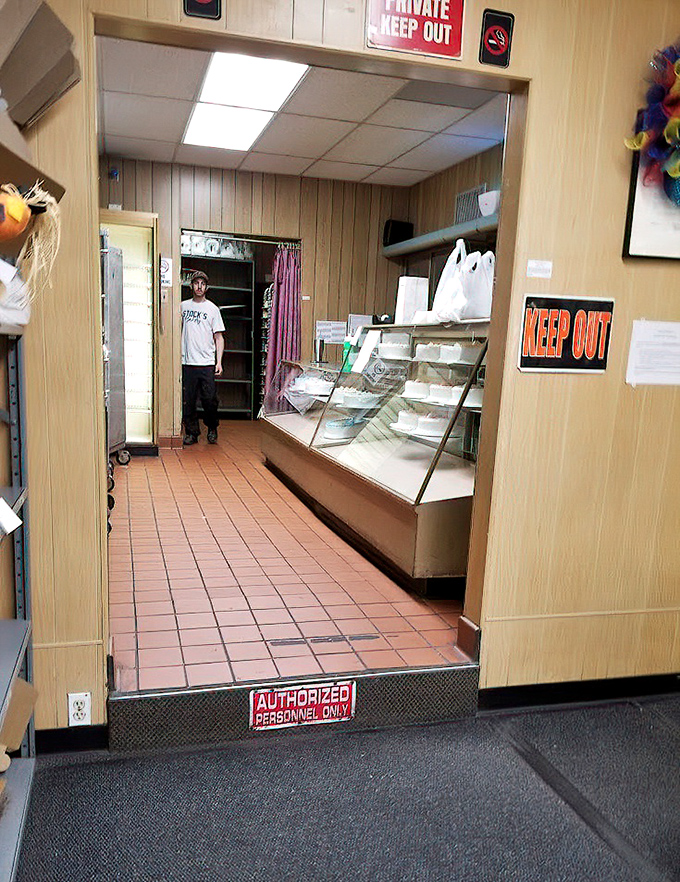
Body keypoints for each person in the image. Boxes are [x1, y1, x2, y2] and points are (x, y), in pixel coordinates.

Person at [181, 270, 225, 445]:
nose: (199, 286)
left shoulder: (213, 309)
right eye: (196, 283)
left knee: (210, 400)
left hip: (206, 363)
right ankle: (192, 433)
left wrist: (218, 362)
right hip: (187, 362)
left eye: (202, 283)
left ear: (206, 287)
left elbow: (219, 337)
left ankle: (212, 428)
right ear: (191, 285)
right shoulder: (182, 306)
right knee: (188, 401)